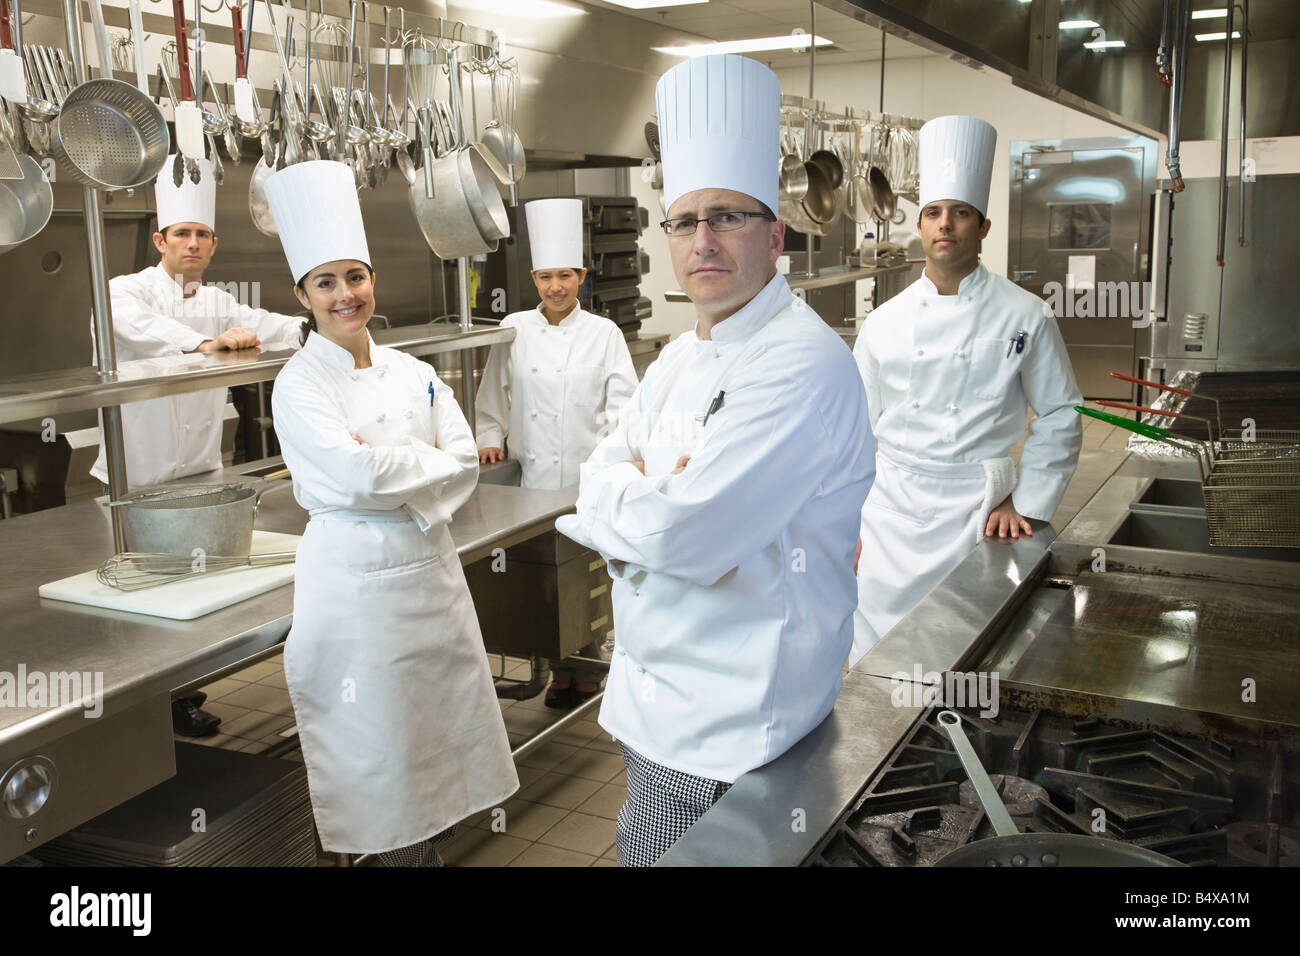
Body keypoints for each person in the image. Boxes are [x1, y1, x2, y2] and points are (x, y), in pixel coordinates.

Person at [555, 55, 874, 867]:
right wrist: (648, 501)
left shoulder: (799, 361)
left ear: (775, 235)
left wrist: (639, 508)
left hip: (733, 731)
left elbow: (687, 536)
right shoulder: (677, 357)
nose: (702, 241)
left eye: (727, 218)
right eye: (684, 221)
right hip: (653, 712)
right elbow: (598, 475)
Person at [265, 160, 518, 866]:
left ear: (372, 280)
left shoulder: (414, 372)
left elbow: (464, 459)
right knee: (376, 756)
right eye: (327, 282)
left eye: (356, 276)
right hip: (354, 592)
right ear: (303, 294)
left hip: (429, 578)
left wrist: (387, 465)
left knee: (434, 741)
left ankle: (425, 856)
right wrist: (408, 461)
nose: (345, 294)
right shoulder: (298, 385)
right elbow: (354, 472)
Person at [850, 115, 1083, 665]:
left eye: (960, 213)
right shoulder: (883, 321)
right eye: (933, 213)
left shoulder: (1026, 314)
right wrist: (845, 520)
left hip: (978, 506)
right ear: (922, 225)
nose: (944, 224)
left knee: (965, 643)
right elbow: (855, 430)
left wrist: (1025, 500)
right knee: (877, 647)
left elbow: (1060, 413)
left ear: (983, 227)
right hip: (889, 507)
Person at [89, 157, 303, 737]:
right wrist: (203, 343)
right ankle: (139, 705)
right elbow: (134, 326)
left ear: (213, 243)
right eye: (181, 233)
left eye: (201, 234)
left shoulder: (220, 299)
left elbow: (269, 322)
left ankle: (183, 696)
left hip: (201, 469)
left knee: (198, 585)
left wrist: (324, 318)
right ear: (160, 240)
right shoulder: (123, 290)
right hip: (139, 476)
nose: (192, 243)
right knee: (144, 588)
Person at [475, 198, 637, 709]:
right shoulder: (515, 328)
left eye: (564, 275)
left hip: (588, 477)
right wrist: (488, 437)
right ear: (533, 277)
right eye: (545, 277)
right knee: (542, 573)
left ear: (582, 276)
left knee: (586, 570)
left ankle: (587, 662)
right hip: (533, 478)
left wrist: (616, 458)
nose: (555, 287)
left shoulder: (604, 334)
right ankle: (553, 664)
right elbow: (492, 391)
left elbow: (625, 405)